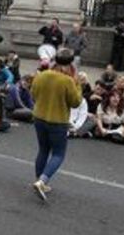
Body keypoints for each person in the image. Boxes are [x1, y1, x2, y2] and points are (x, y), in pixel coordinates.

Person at [29, 49, 83, 202]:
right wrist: (78, 84)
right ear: (70, 64)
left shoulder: (42, 75)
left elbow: (33, 95)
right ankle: (42, 181)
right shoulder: (68, 81)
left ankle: (38, 179)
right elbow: (76, 102)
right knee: (58, 153)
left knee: (43, 149)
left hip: (39, 117)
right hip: (57, 120)